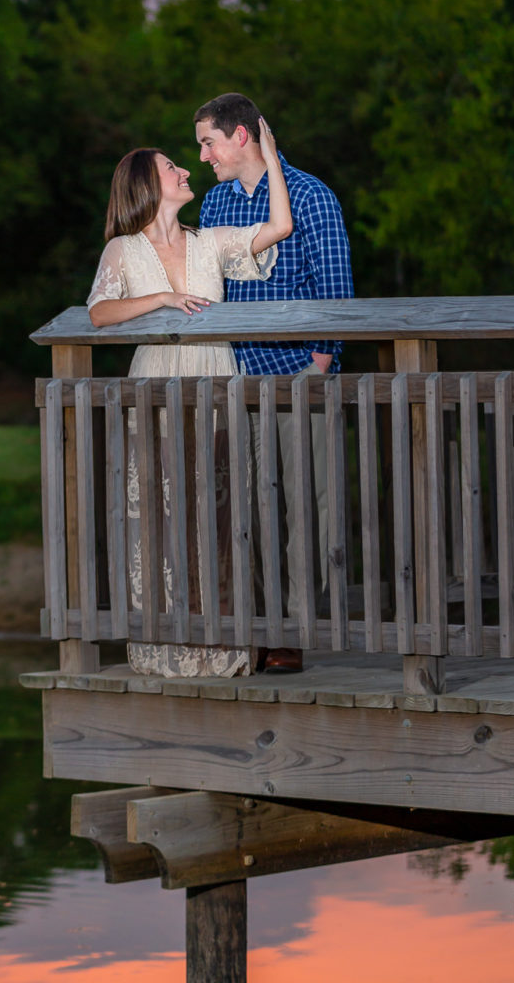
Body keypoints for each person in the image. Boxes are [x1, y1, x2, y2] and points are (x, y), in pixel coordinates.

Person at [87, 128, 292, 677]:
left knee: (219, 523)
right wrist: (161, 300)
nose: (185, 171)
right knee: (160, 522)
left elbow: (280, 227)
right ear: (148, 187)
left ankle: (221, 649)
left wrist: (269, 158)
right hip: (155, 396)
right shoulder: (123, 250)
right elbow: (100, 313)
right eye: (173, 167)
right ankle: (167, 646)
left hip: (215, 389)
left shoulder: (210, 242)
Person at [195, 92, 353, 674]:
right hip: (239, 382)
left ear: (241, 136)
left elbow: (335, 288)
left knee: (306, 511)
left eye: (209, 142)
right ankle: (259, 629)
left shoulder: (310, 195)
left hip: (300, 378)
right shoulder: (213, 206)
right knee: (250, 513)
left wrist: (319, 366)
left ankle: (296, 631)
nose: (205, 156)